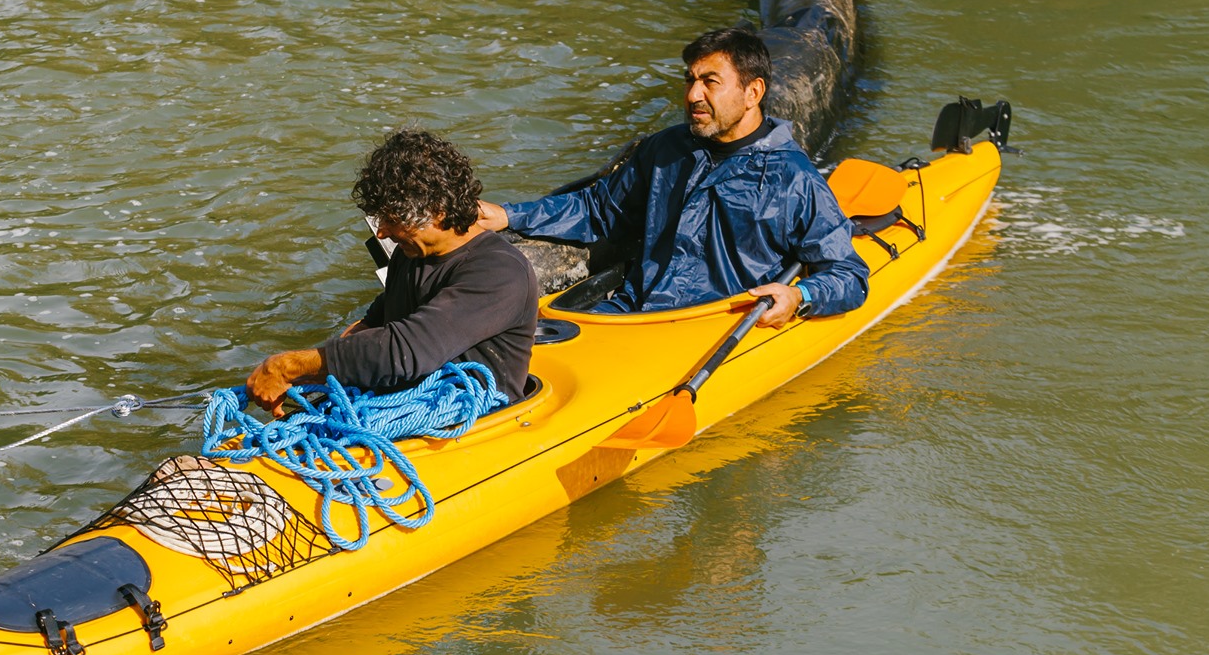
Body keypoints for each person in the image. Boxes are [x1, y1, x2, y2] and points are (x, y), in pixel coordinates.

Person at [474, 27, 867, 326]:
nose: (693, 94)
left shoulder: (793, 178)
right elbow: (597, 209)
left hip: (711, 326)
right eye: (690, 80)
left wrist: (800, 296)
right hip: (629, 311)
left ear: (753, 92)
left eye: (710, 82)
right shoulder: (667, 150)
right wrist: (510, 215)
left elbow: (849, 274)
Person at [245, 129, 538, 413]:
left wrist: (288, 366)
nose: (382, 233)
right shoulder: (412, 253)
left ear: (438, 210)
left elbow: (406, 352)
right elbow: (377, 322)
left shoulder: (500, 272)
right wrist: (315, 373)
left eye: (392, 219)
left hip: (469, 419)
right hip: (395, 404)